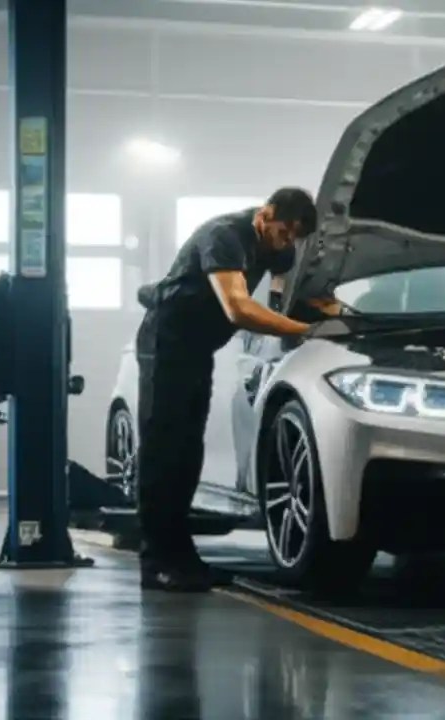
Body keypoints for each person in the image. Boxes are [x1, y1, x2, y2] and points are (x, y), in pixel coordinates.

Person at [133, 187, 336, 592]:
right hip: (166, 342)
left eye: (294, 238)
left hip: (198, 348)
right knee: (163, 451)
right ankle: (155, 562)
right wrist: (307, 330)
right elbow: (238, 308)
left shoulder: (279, 247)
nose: (287, 243)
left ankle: (182, 558)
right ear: (265, 214)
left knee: (187, 453)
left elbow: (283, 293)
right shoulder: (224, 235)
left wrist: (331, 311)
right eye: (283, 233)